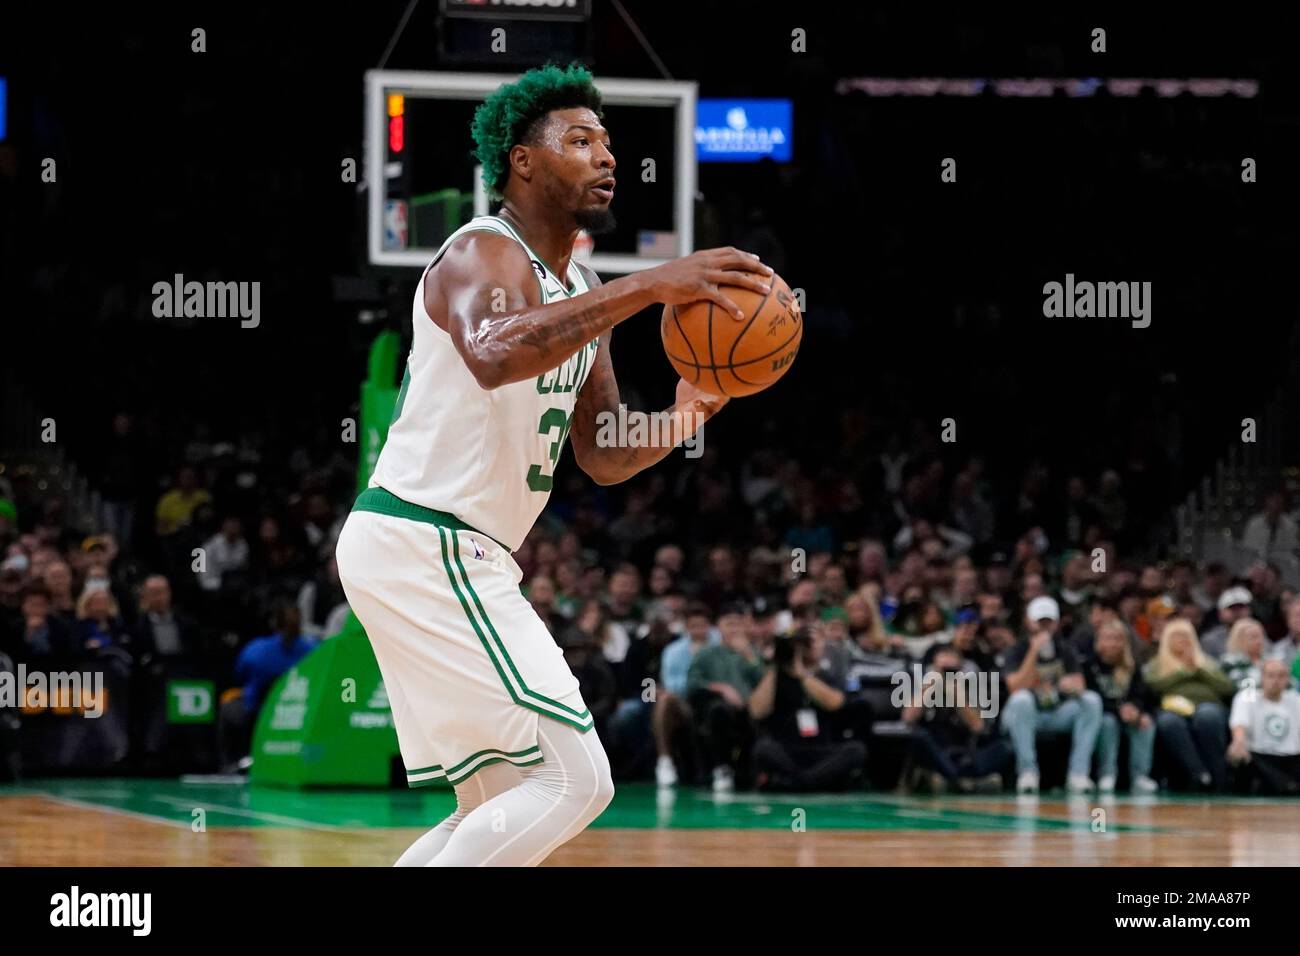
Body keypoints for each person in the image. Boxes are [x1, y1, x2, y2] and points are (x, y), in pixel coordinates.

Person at [333, 63, 772, 866]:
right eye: (579, 140)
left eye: (608, 142)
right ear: (522, 163)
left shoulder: (579, 284)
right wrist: (649, 285)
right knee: (579, 781)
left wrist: (690, 411)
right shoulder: (481, 250)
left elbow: (603, 454)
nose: (607, 157)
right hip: (426, 540)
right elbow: (497, 351)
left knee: (504, 802)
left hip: (458, 553)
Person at [999, 596, 1103, 794]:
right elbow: (1015, 688)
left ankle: (1078, 774)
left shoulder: (1065, 649)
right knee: (1022, 700)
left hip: (1055, 712)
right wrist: (1034, 651)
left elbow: (1080, 685)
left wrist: (1071, 686)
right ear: (1029, 621)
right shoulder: (1016, 650)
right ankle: (1028, 772)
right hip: (1021, 716)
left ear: (1056, 623)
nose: (1044, 626)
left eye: (1049, 621)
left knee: (1091, 700)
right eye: (1040, 621)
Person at [748, 626, 867, 792]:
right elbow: (756, 711)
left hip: (821, 750)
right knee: (763, 748)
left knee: (856, 750)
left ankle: (800, 782)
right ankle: (811, 782)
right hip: (787, 750)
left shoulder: (824, 675)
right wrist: (778, 665)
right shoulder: (774, 679)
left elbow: (834, 703)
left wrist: (802, 674)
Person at [217, 605, 317, 772]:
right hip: (300, 715)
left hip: (257, 712)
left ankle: (230, 763)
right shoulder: (315, 650)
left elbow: (240, 675)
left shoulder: (255, 649)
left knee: (228, 709)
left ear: (273, 623)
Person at [1143, 619, 1235, 791]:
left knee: (1208, 716)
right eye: (1176, 636)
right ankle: (1199, 773)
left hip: (1208, 705)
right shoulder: (1158, 664)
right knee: (1169, 722)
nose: (1182, 640)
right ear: (1167, 639)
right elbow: (1153, 686)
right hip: (1172, 709)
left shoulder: (1207, 662)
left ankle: (1218, 774)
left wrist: (1199, 669)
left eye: (1186, 636)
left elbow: (1227, 687)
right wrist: (1184, 672)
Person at [903, 645, 1010, 793]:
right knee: (918, 738)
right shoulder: (924, 684)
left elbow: (977, 726)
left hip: (964, 754)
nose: (947, 673)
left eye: (951, 670)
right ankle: (964, 781)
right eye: (944, 669)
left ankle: (953, 780)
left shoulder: (969, 687)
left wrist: (955, 691)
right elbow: (908, 717)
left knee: (1004, 748)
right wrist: (931, 683)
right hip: (937, 751)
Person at [685, 603, 764, 793]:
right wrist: (720, 688)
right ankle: (722, 768)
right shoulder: (706, 654)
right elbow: (692, 685)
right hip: (718, 708)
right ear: (718, 628)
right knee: (719, 710)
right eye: (729, 624)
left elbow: (764, 681)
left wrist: (749, 656)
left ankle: (752, 772)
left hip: (751, 708)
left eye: (738, 624)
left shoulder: (753, 653)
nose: (734, 629)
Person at [1082, 619, 1159, 793]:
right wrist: (1120, 711)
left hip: (1129, 715)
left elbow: (1142, 695)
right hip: (1105, 715)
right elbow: (1093, 698)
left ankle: (1140, 776)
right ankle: (1107, 773)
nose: (1112, 643)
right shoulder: (1088, 666)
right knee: (1108, 722)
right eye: (1108, 638)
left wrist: (1137, 711)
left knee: (1145, 722)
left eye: (1117, 638)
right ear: (1098, 641)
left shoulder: (1133, 666)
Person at [1228, 659, 1300, 794]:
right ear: (1262, 677)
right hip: (1260, 758)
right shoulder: (1247, 697)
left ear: (1287, 679)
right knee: (1241, 757)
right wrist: (1239, 742)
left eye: (1281, 676)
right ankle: (1286, 785)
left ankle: (1284, 784)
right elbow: (1239, 725)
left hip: (1291, 758)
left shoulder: (1296, 700)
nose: (1276, 680)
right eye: (1271, 675)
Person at [1199, 585, 1253, 660]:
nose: (1237, 612)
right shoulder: (1210, 640)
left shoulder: (1257, 634)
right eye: (1232, 608)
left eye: (1241, 607)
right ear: (1220, 613)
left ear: (1249, 610)